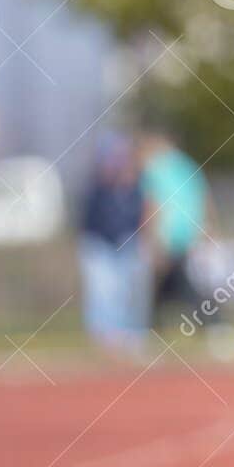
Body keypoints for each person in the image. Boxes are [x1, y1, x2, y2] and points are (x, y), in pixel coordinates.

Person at [78, 131, 151, 354]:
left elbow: (144, 216)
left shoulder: (136, 189)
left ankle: (132, 336)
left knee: (131, 293)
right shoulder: (96, 190)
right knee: (102, 294)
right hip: (100, 247)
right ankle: (105, 339)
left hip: (128, 246)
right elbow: (87, 224)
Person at [138, 131, 210, 323]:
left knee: (179, 282)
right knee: (171, 282)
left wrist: (150, 238)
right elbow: (203, 199)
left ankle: (212, 322)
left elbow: (152, 206)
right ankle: (151, 326)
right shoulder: (187, 166)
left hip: (168, 236)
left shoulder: (154, 170)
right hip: (188, 234)